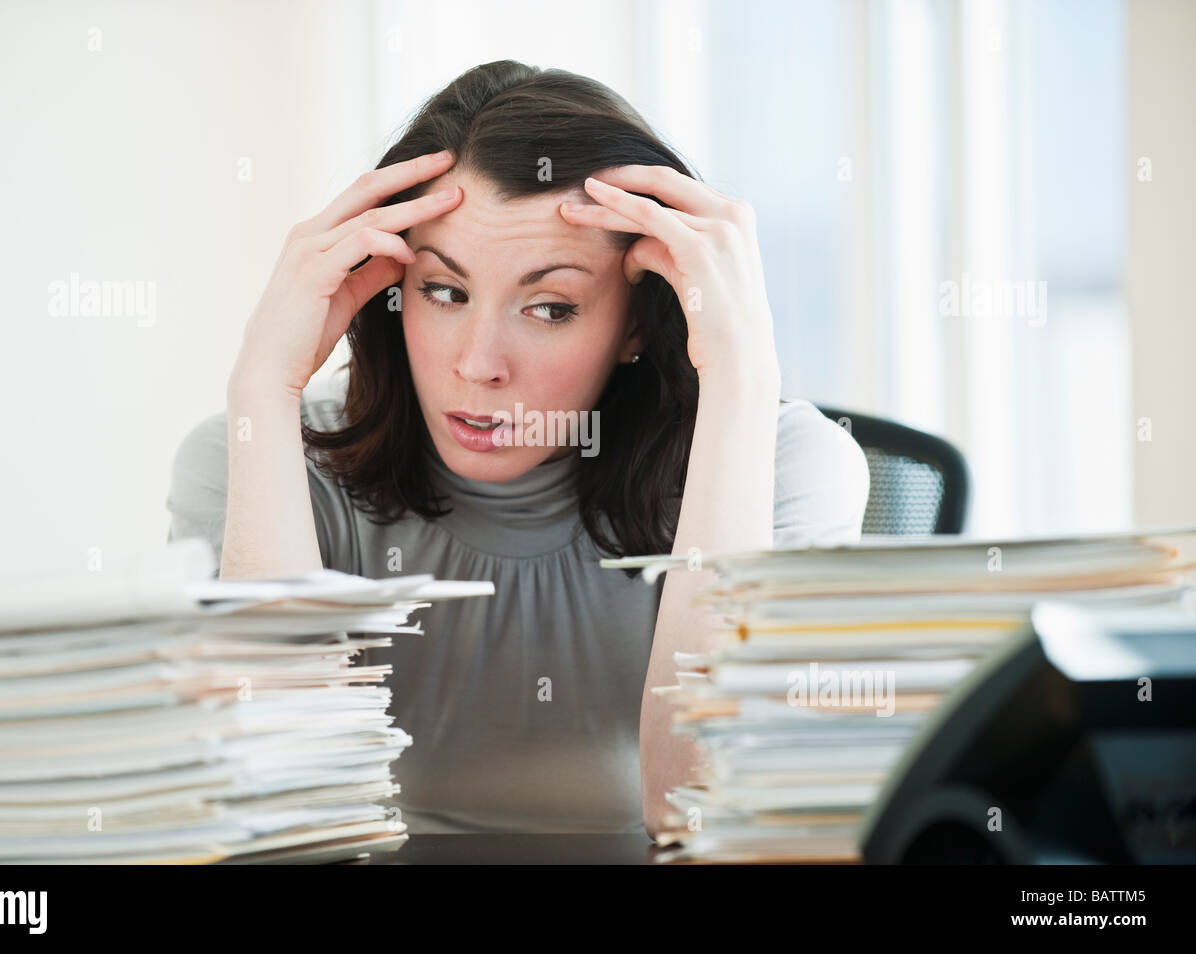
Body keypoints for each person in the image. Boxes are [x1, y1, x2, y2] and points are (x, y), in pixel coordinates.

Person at [166, 60, 870, 838]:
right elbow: (270, 819)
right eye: (444, 291)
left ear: (639, 321)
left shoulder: (787, 467)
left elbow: (705, 820)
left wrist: (739, 377)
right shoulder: (257, 459)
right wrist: (263, 387)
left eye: (549, 306)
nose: (479, 363)